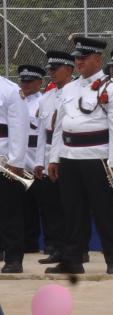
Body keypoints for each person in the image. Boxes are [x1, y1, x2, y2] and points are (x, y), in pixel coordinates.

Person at [46, 36, 113, 275]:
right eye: (77, 58)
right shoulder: (69, 88)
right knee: (72, 211)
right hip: (70, 157)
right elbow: (60, 126)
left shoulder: (112, 88)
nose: (79, 62)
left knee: (105, 211)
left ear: (97, 59)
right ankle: (73, 259)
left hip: (98, 158)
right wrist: (54, 158)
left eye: (84, 58)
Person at [35, 51, 79, 265]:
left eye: (55, 69)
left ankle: (76, 249)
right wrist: (39, 162)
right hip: (49, 155)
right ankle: (57, 248)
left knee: (70, 206)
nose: (51, 73)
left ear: (69, 70)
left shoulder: (76, 93)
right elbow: (43, 134)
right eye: (50, 69)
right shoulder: (45, 99)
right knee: (51, 207)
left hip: (70, 154)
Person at [0, 63, 30, 274]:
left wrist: (16, 161)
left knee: (9, 211)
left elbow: (19, 128)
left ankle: (13, 258)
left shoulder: (10, 90)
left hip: (4, 161)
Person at [18, 64, 45, 254]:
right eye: (23, 81)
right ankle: (28, 244)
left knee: (45, 207)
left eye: (30, 81)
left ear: (39, 82)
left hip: (37, 160)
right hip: (19, 163)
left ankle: (50, 244)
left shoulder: (43, 102)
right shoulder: (16, 100)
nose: (25, 85)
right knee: (23, 208)